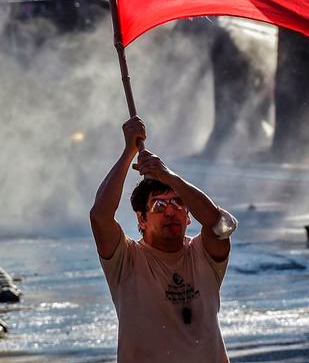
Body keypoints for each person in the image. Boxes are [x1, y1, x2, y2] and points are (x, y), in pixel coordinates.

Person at [90, 116, 238, 362]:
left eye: (178, 203)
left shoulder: (203, 254)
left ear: (189, 217)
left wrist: (169, 177)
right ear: (141, 219)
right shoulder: (126, 260)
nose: (171, 212)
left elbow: (218, 225)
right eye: (159, 205)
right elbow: (100, 216)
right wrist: (128, 152)